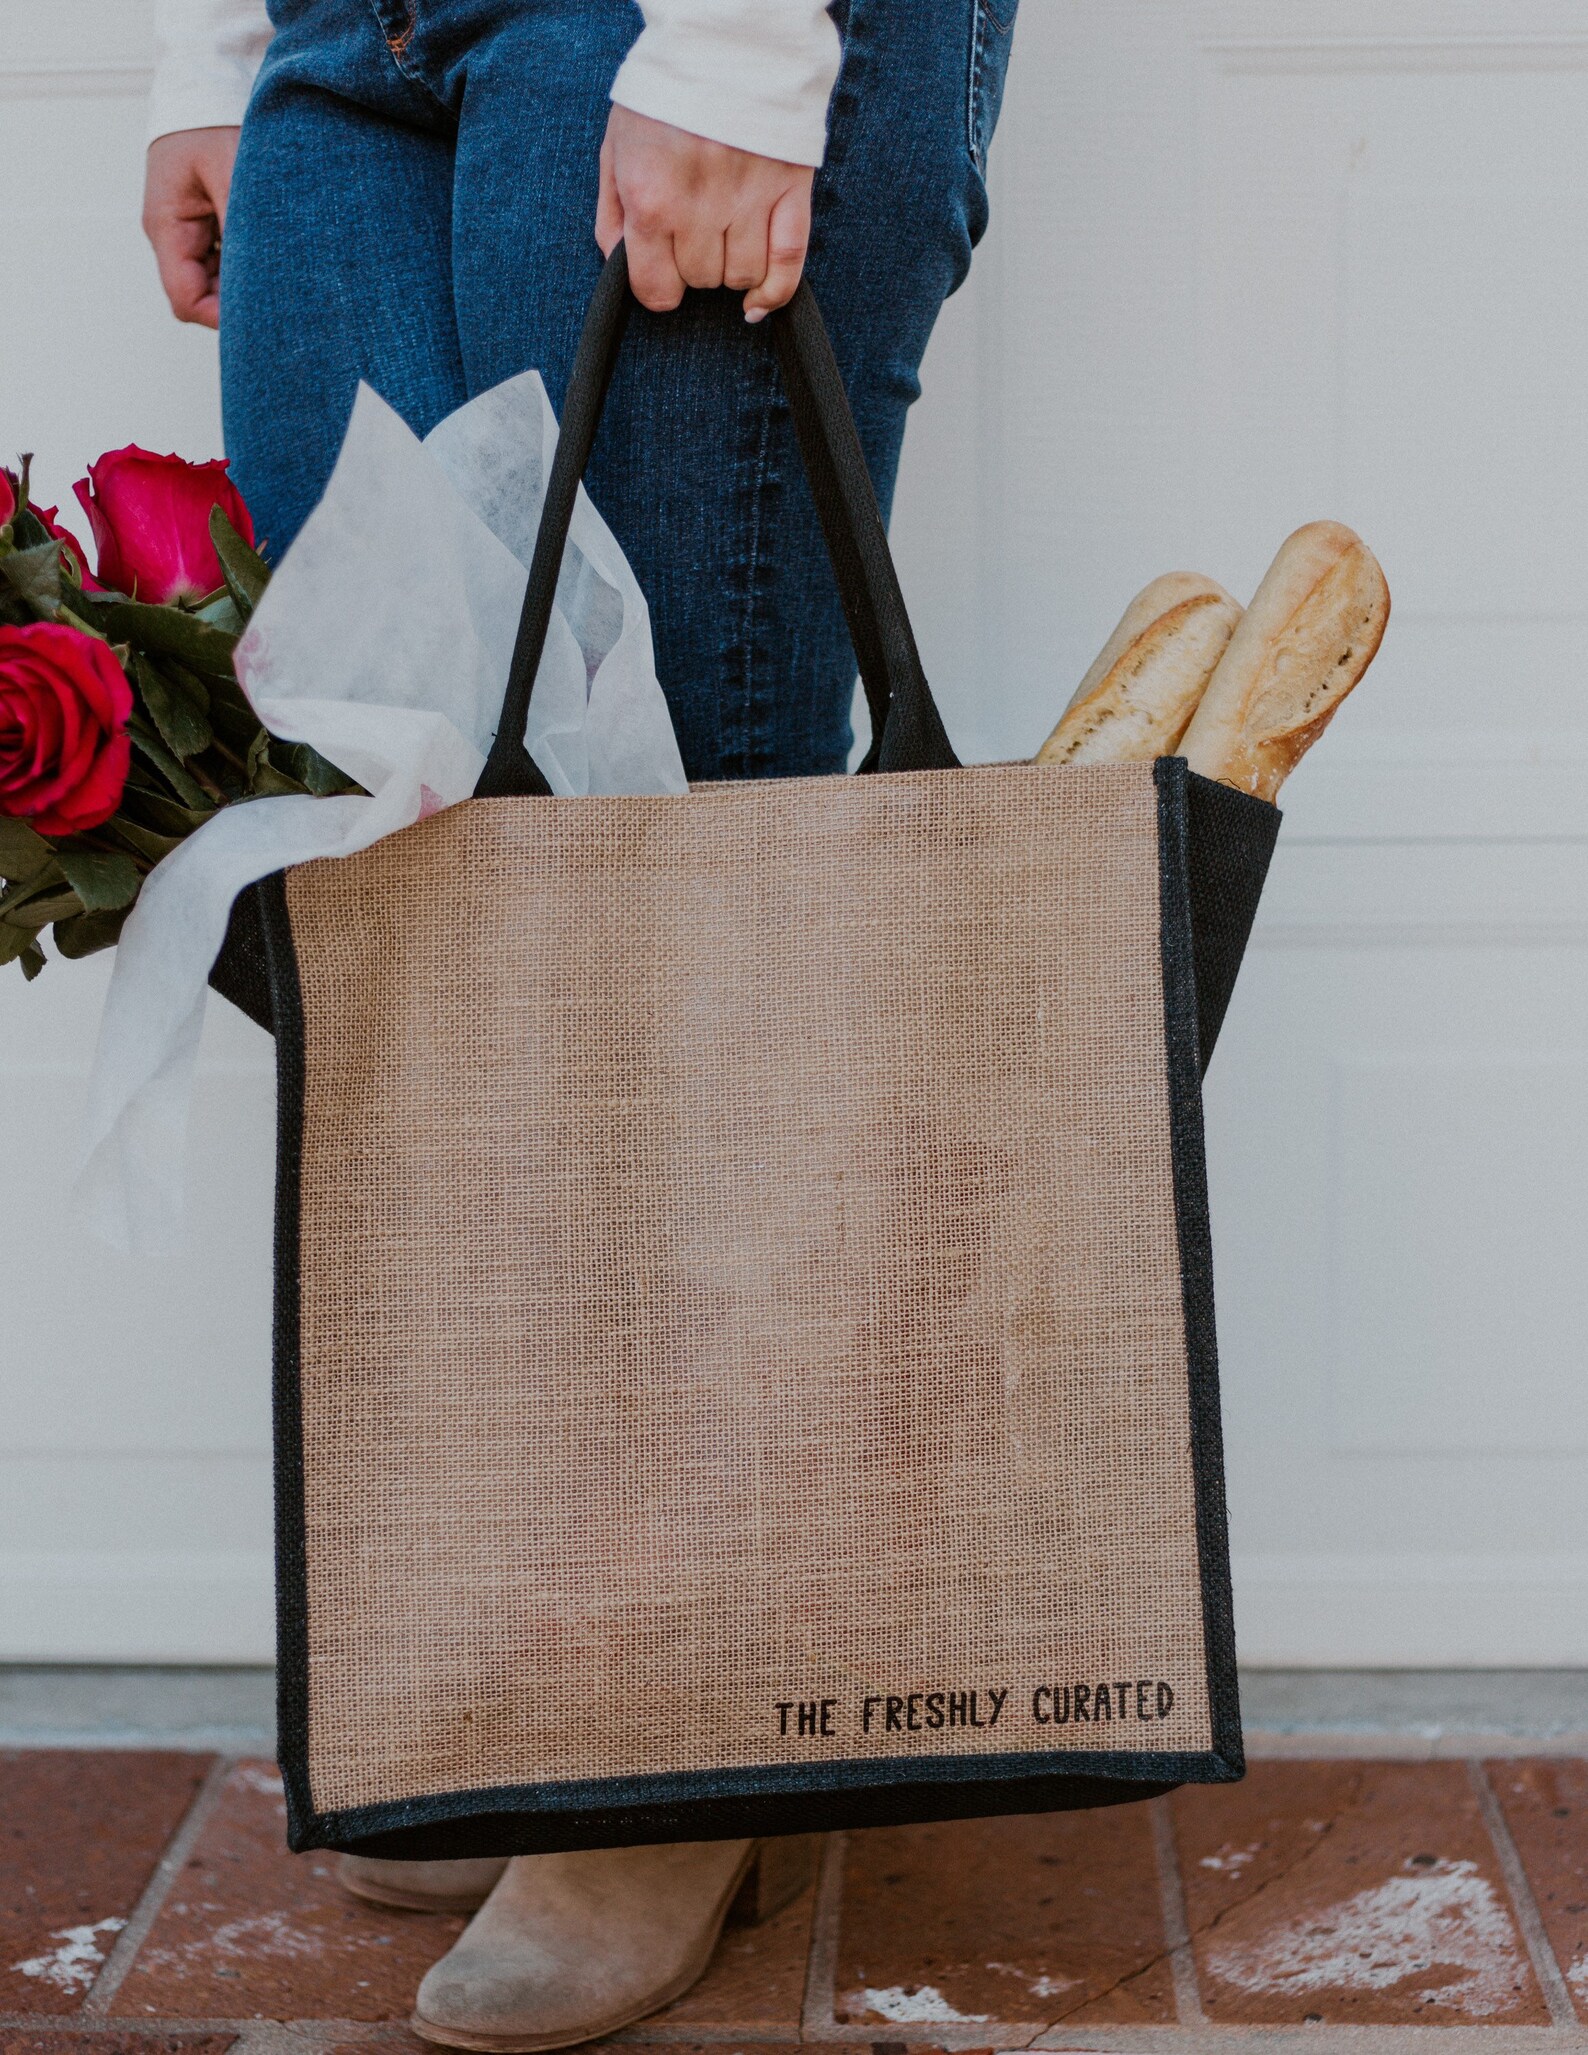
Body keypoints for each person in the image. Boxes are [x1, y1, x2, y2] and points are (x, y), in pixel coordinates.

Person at [142, 0, 1018, 2044]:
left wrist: (731, 45)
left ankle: (688, 1719)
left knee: (676, 871)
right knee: (446, 863)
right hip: (335, 40)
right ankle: (578, 1667)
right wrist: (195, 54)